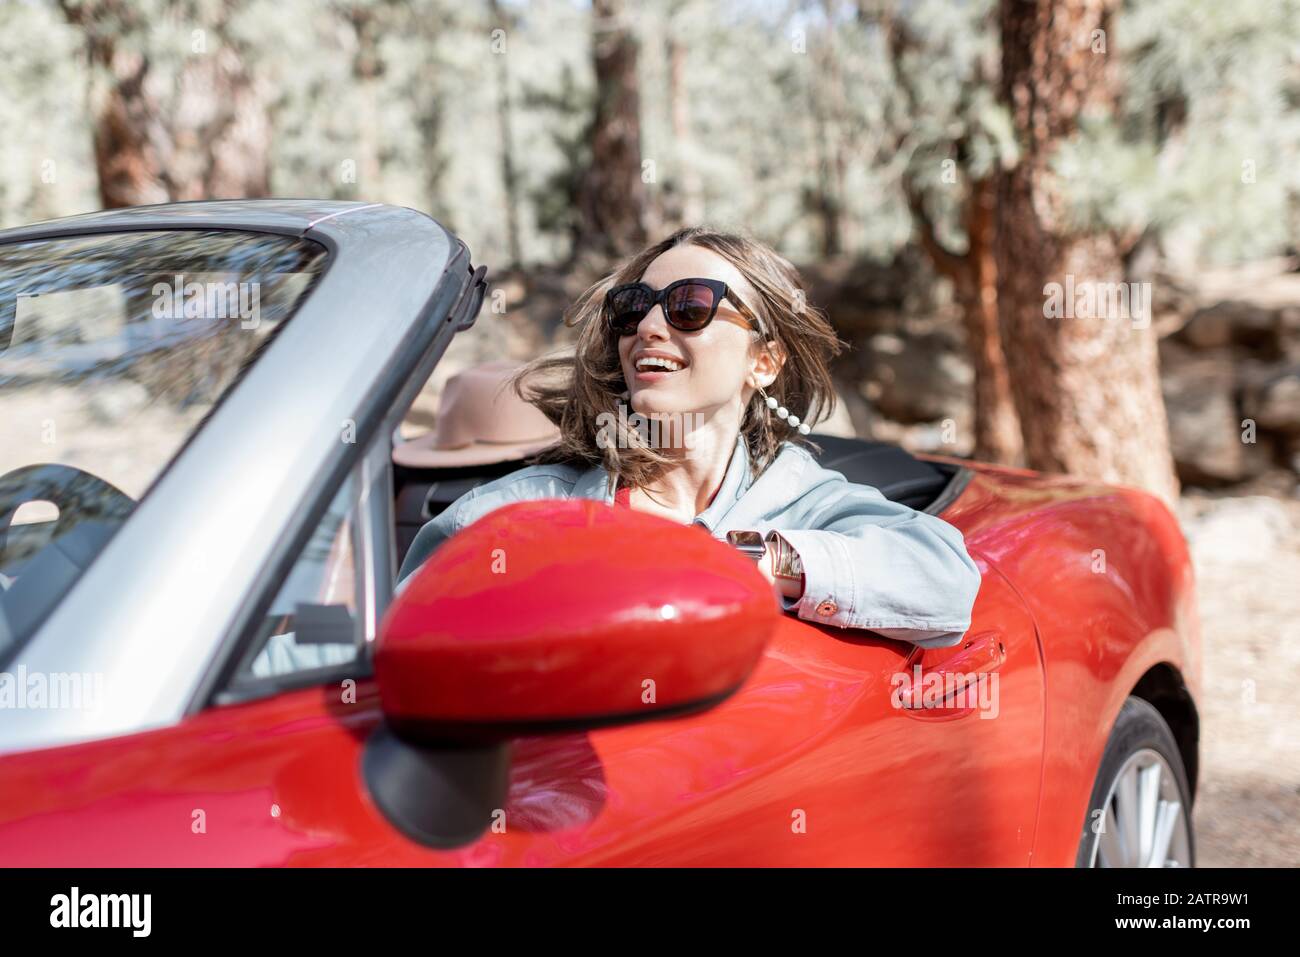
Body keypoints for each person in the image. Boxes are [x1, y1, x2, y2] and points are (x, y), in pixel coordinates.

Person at [397, 226, 980, 648]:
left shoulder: (804, 499)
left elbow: (946, 581)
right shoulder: (515, 515)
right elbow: (403, 652)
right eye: (633, 309)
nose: (649, 327)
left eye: (690, 306)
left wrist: (756, 563)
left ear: (765, 361)